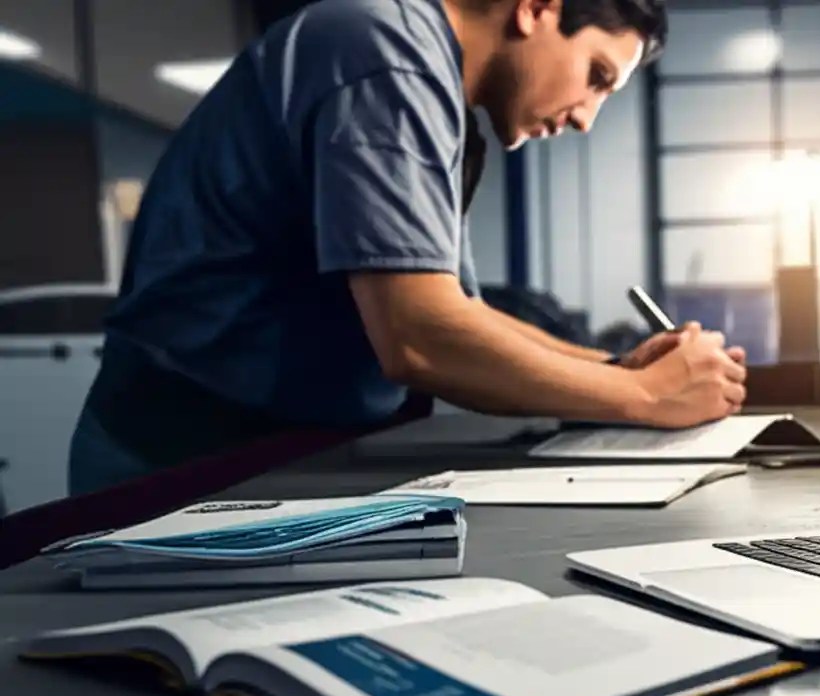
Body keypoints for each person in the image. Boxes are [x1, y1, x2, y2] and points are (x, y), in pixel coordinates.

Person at [68, 0, 747, 496]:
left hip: (279, 454)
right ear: (537, 8)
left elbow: (460, 315)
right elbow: (421, 339)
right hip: (182, 461)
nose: (586, 118)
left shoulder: (437, 96)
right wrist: (644, 396)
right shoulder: (384, 51)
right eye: (596, 75)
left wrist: (616, 366)